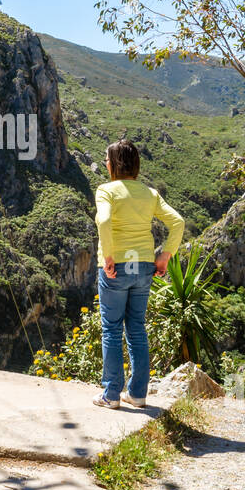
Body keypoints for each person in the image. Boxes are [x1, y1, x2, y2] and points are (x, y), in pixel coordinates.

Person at [91, 139, 185, 409]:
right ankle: (138, 394)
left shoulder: (106, 190)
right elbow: (177, 222)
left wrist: (108, 256)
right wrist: (165, 255)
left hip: (115, 267)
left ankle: (111, 394)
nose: (106, 164)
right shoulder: (150, 193)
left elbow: (105, 220)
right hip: (143, 265)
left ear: (114, 165)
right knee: (136, 328)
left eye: (107, 160)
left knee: (111, 328)